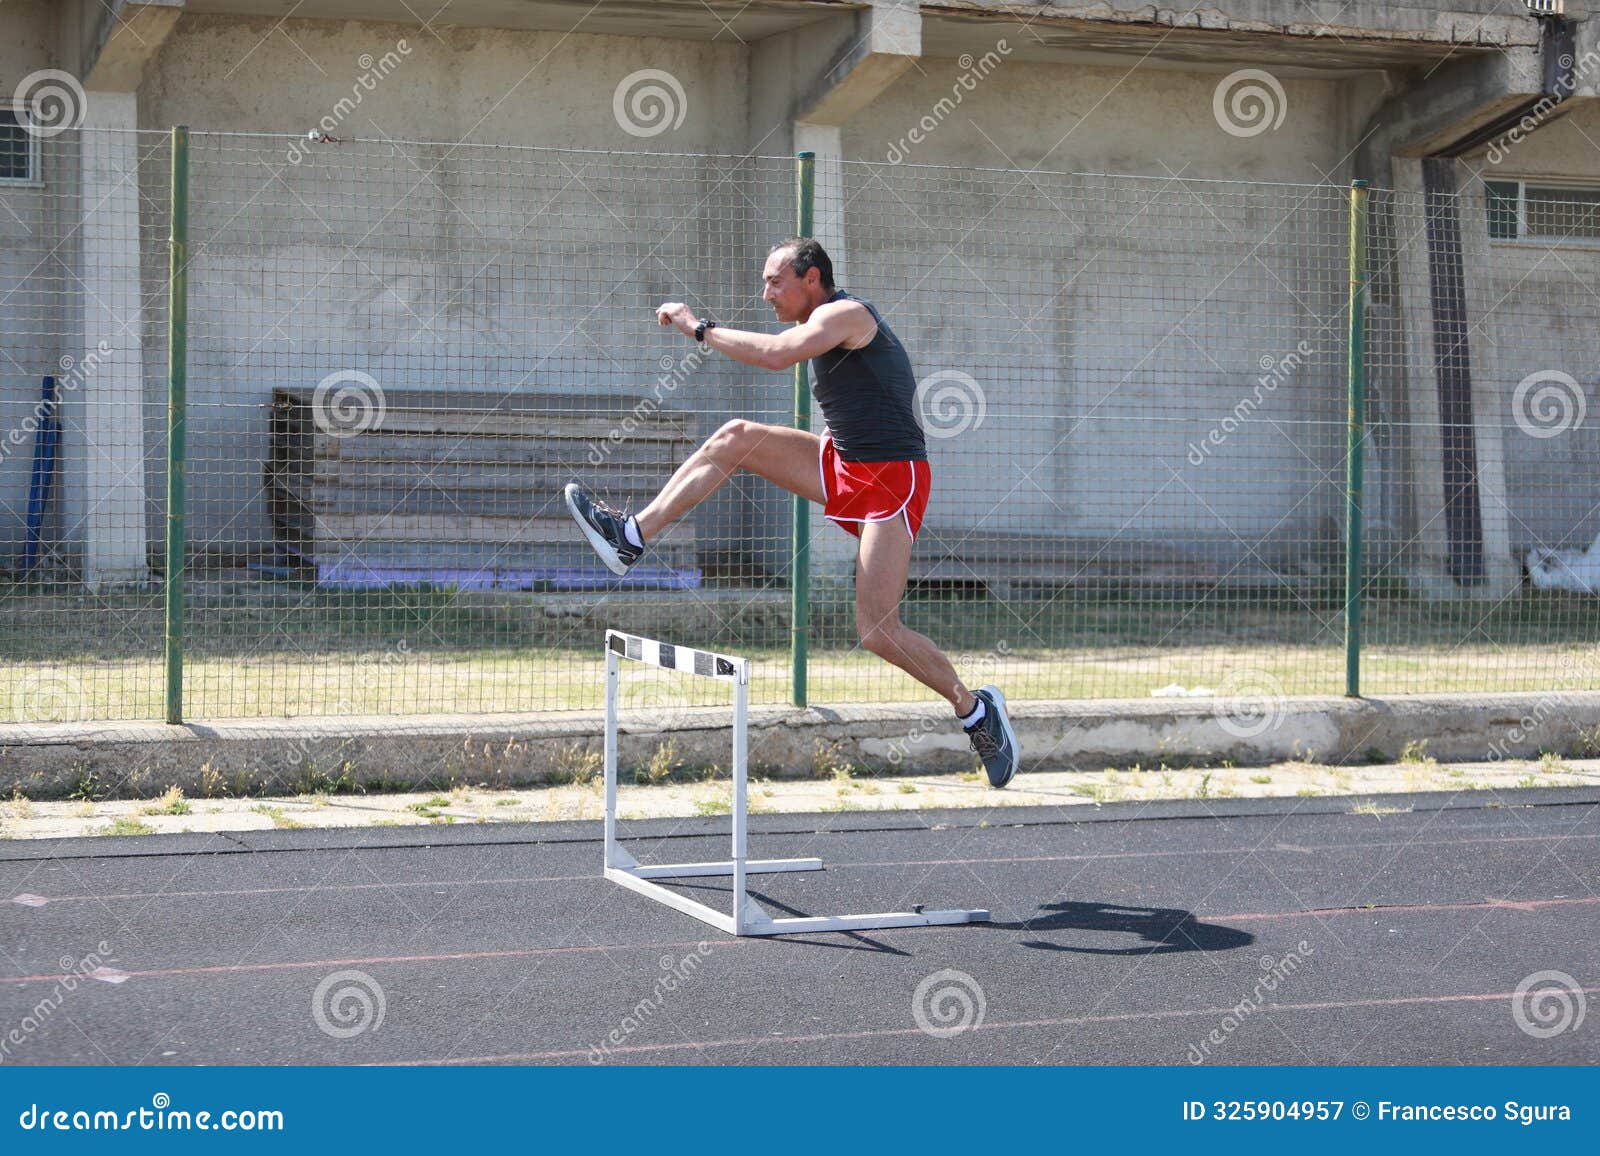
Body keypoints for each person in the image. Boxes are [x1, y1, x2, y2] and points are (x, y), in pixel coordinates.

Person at [564, 237, 1019, 787]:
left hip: (891, 480)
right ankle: (631, 536)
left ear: (812, 279)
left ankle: (974, 710)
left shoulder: (846, 313)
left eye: (774, 280)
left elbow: (778, 355)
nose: (765, 293)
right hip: (842, 461)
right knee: (736, 438)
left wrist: (697, 327)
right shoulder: (822, 323)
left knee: (876, 628)